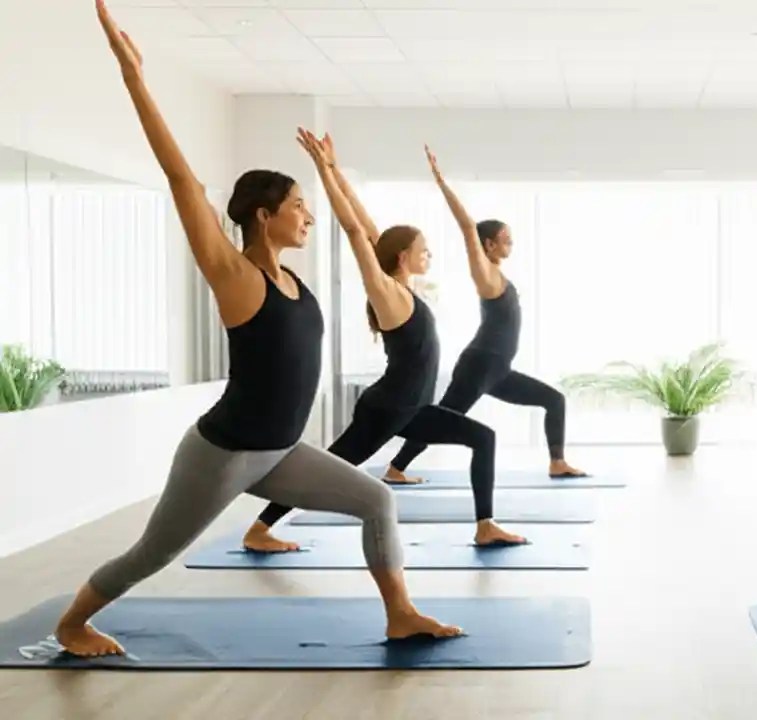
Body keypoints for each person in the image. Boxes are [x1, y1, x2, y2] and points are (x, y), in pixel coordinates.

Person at [54, 1, 464, 658]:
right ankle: (73, 622)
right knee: (153, 553)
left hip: (282, 449)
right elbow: (182, 180)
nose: (308, 217)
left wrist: (331, 174)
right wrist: (134, 77)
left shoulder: (295, 279)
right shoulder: (236, 276)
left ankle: (401, 615)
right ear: (265, 215)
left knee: (377, 502)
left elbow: (363, 232)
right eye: (299, 206)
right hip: (224, 453)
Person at [241, 130, 526, 553]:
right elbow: (354, 229)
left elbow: (366, 223)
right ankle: (259, 528)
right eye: (422, 249)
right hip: (388, 409)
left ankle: (485, 525)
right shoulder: (386, 291)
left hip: (413, 408)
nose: (428, 255)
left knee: (483, 438)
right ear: (402, 257)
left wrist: (336, 169)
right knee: (331, 467)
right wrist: (322, 171)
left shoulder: (403, 286)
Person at [382, 150, 588, 483]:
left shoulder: (499, 275)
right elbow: (468, 228)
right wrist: (441, 183)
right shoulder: (485, 273)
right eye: (506, 239)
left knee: (554, 400)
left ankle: (557, 462)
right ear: (488, 245)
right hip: (479, 367)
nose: (511, 243)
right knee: (442, 419)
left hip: (498, 370)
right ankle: (395, 468)